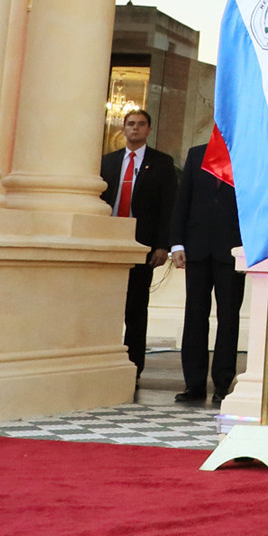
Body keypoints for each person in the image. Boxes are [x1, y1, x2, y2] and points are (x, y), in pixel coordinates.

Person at [100, 107, 176, 385]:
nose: (135, 128)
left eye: (141, 124)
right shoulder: (107, 162)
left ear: (148, 129)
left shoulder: (162, 163)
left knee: (135, 306)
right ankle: (104, 359)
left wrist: (162, 245)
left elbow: (168, 206)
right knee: (106, 304)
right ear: (123, 128)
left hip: (142, 244)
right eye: (130, 124)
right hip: (108, 242)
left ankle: (134, 364)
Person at [169, 138, 245, 407]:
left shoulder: (246, 153)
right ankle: (194, 383)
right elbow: (183, 200)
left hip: (233, 251)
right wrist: (176, 243)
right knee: (195, 316)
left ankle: (223, 384)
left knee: (228, 318)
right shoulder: (197, 153)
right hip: (197, 248)